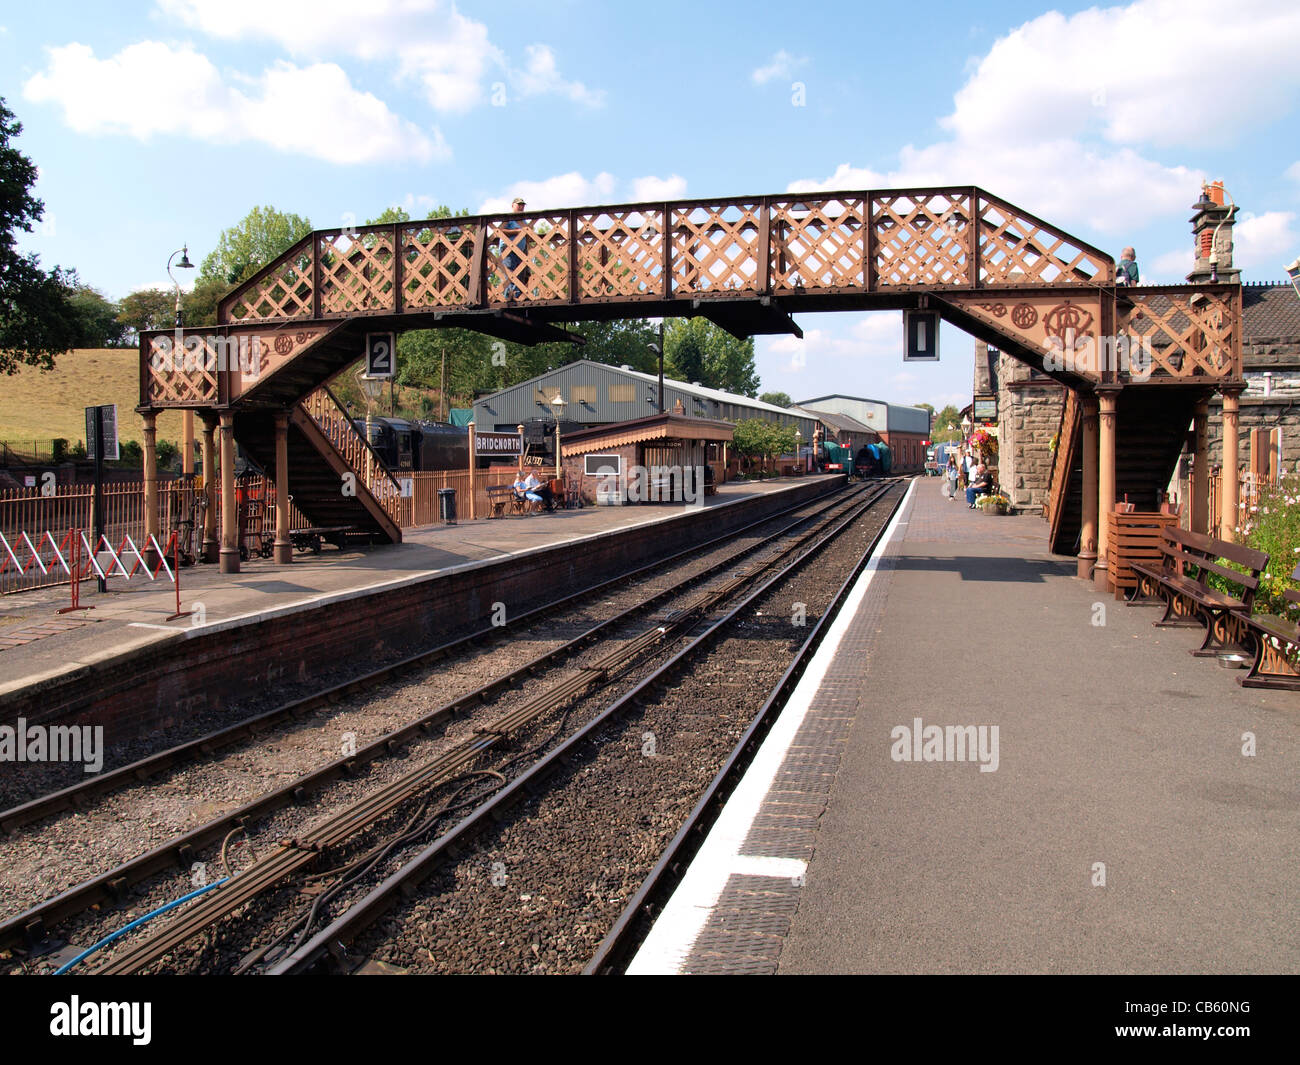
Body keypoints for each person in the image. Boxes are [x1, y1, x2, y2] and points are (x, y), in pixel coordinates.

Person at [503, 197, 528, 299]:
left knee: (519, 274)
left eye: (523, 205)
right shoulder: (508, 218)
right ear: (513, 205)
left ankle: (516, 295)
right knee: (510, 272)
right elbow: (499, 231)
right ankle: (509, 296)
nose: (521, 207)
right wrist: (516, 232)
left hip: (520, 251)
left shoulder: (523, 221)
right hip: (508, 249)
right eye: (519, 205)